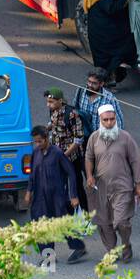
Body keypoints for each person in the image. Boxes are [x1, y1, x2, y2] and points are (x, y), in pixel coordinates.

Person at [84, 104, 140, 264]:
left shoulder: (125, 137)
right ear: (100, 120)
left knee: (121, 222)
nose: (109, 123)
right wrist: (89, 175)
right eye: (106, 120)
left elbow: (136, 161)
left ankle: (126, 245)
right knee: (104, 223)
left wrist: (139, 184)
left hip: (122, 187)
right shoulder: (94, 138)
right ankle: (112, 251)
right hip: (100, 188)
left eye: (112, 119)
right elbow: (89, 157)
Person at [24, 125, 85, 267]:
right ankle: (49, 256)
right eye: (35, 142)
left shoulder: (57, 153)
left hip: (57, 196)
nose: (37, 144)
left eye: (40, 141)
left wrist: (73, 195)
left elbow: (71, 173)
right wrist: (28, 192)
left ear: (46, 139)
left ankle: (78, 247)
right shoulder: (35, 154)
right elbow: (32, 174)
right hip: (40, 197)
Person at [83, 0, 138, 84]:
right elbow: (112, 8)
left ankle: (111, 76)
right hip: (106, 35)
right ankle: (113, 74)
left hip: (101, 32)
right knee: (127, 40)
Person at [45, 85, 89, 226]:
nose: (48, 105)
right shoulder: (53, 111)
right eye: (48, 102)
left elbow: (78, 139)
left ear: (60, 101)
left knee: (76, 187)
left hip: (71, 157)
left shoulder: (71, 114)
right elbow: (54, 123)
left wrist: (64, 155)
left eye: (51, 102)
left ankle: (85, 217)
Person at [73, 69, 123, 138]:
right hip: (83, 135)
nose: (90, 85)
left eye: (94, 83)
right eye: (89, 81)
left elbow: (118, 122)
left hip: (100, 138)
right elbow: (75, 108)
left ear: (101, 84)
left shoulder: (109, 99)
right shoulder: (81, 90)